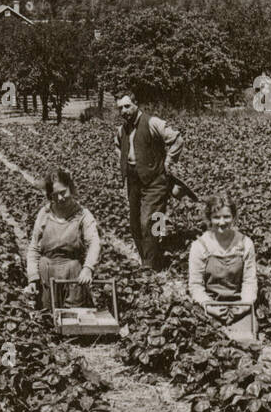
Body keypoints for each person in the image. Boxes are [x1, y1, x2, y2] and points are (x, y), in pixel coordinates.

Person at [112, 92, 183, 271]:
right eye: (120, 108)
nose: (124, 111)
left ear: (136, 104)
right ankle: (149, 257)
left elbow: (176, 139)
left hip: (155, 180)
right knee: (135, 224)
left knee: (149, 221)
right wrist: (124, 167)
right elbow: (118, 147)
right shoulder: (122, 130)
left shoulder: (152, 123)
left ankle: (151, 266)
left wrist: (168, 162)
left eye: (127, 106)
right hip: (134, 181)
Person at [24, 170, 102, 311]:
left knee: (74, 316)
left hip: (73, 273)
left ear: (71, 188)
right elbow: (34, 248)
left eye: (63, 192)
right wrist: (33, 278)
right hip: (46, 273)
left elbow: (94, 243)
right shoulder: (44, 214)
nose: (60, 198)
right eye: (54, 195)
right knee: (46, 315)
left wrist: (88, 268)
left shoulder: (83, 215)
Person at [188, 193, 258, 322]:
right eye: (216, 217)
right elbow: (195, 285)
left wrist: (245, 305)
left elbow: (250, 281)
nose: (222, 222)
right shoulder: (199, 246)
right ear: (209, 218)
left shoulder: (245, 243)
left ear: (234, 217)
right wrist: (208, 305)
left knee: (248, 339)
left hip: (239, 304)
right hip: (209, 305)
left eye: (226, 217)